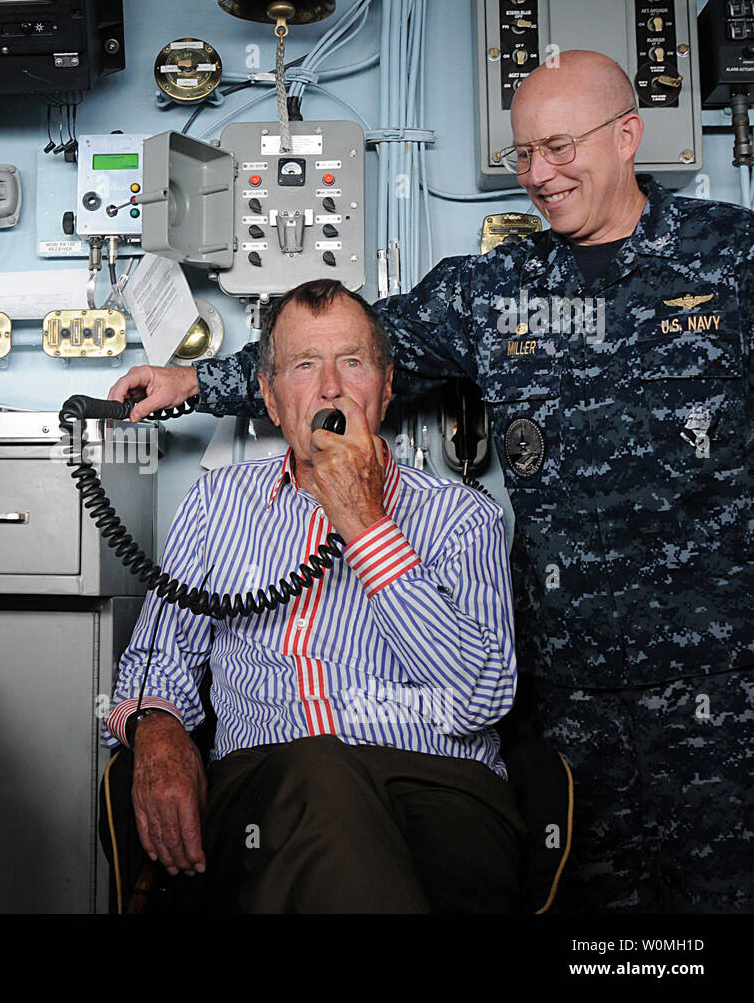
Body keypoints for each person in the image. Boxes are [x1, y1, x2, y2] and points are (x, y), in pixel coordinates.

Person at [108, 50, 753, 913]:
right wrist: (196, 381)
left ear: (628, 135)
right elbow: (348, 358)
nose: (539, 175)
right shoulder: (496, 290)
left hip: (721, 669)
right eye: (524, 153)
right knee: (598, 914)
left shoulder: (730, 257)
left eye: (559, 148)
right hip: (572, 678)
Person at [105, 280, 524, 913]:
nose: (330, 387)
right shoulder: (218, 503)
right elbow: (157, 662)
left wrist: (364, 523)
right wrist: (156, 727)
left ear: (386, 387)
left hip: (435, 791)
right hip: (262, 789)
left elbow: (480, 700)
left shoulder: (463, 516)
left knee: (327, 781)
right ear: (272, 399)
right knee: (319, 770)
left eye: (352, 362)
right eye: (304, 365)